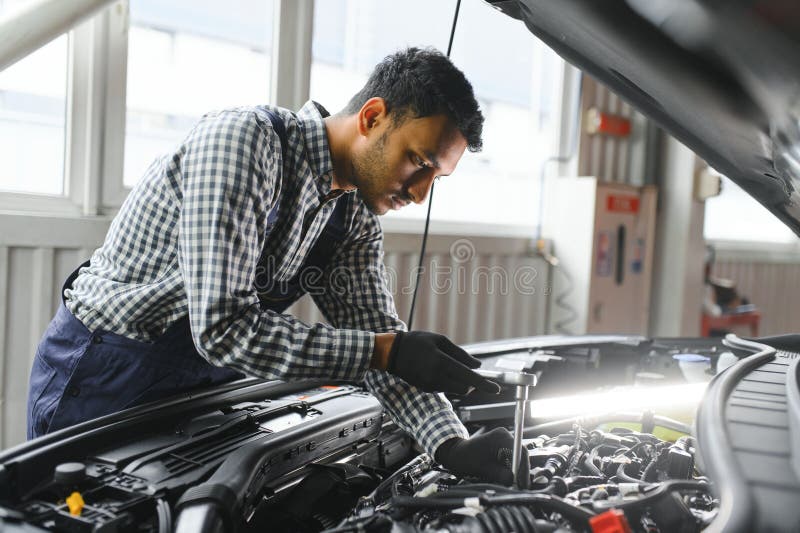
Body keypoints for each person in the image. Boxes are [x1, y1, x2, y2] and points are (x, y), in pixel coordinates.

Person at [26, 47, 529, 486]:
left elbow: (380, 339)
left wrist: (450, 444)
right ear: (373, 117)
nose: (420, 195)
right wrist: (386, 351)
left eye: (436, 179)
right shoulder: (243, 143)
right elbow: (223, 330)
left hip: (202, 390)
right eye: (419, 162)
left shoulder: (351, 217)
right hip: (104, 375)